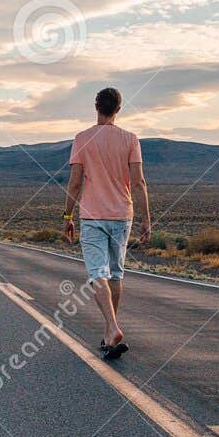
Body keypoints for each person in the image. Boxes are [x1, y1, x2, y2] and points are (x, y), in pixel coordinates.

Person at [63, 86, 150, 360]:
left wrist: (67, 217)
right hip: (123, 214)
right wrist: (146, 218)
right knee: (115, 274)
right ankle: (109, 334)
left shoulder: (82, 139)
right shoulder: (131, 139)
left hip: (92, 215)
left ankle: (112, 328)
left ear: (96, 106)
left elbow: (75, 182)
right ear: (119, 109)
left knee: (97, 274)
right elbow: (138, 182)